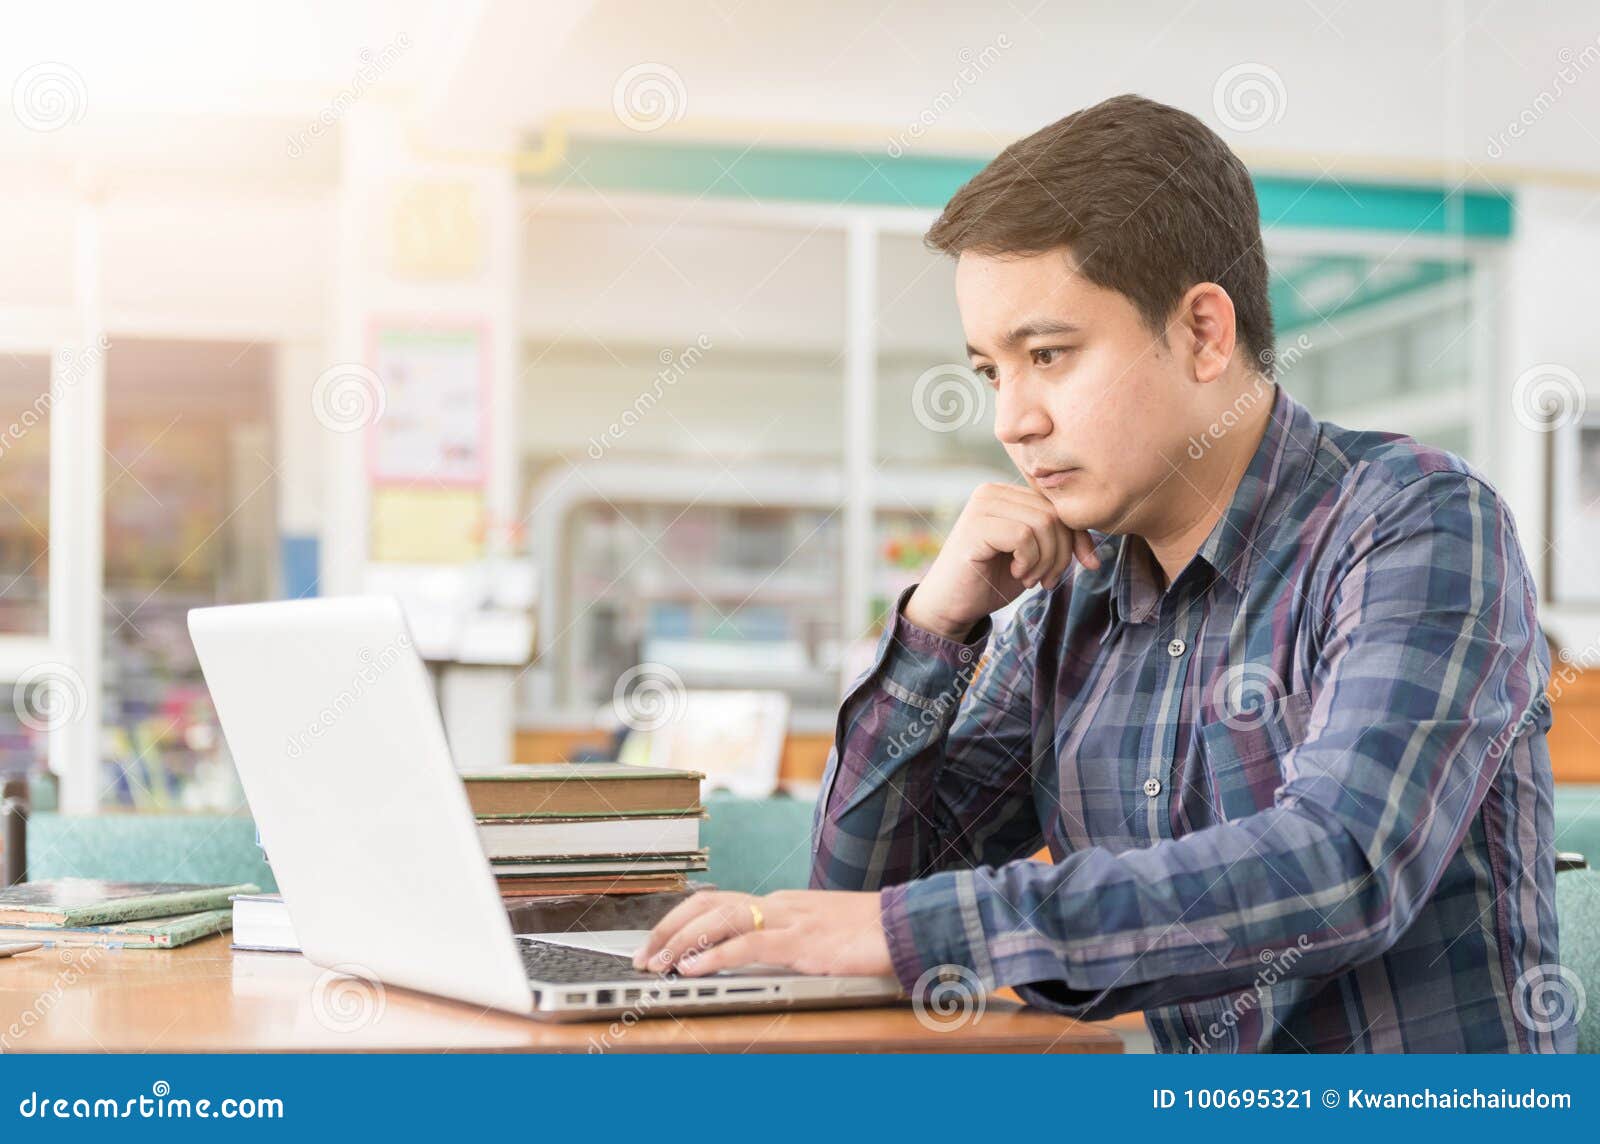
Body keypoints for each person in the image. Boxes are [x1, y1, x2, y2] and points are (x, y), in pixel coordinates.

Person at [634, 93, 1568, 1052]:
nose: (1011, 420)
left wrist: (914, 932)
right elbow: (862, 898)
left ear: (1205, 332)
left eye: (1048, 354)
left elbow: (1339, 869)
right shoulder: (1071, 594)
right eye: (994, 371)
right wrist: (936, 628)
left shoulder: (1417, 520)